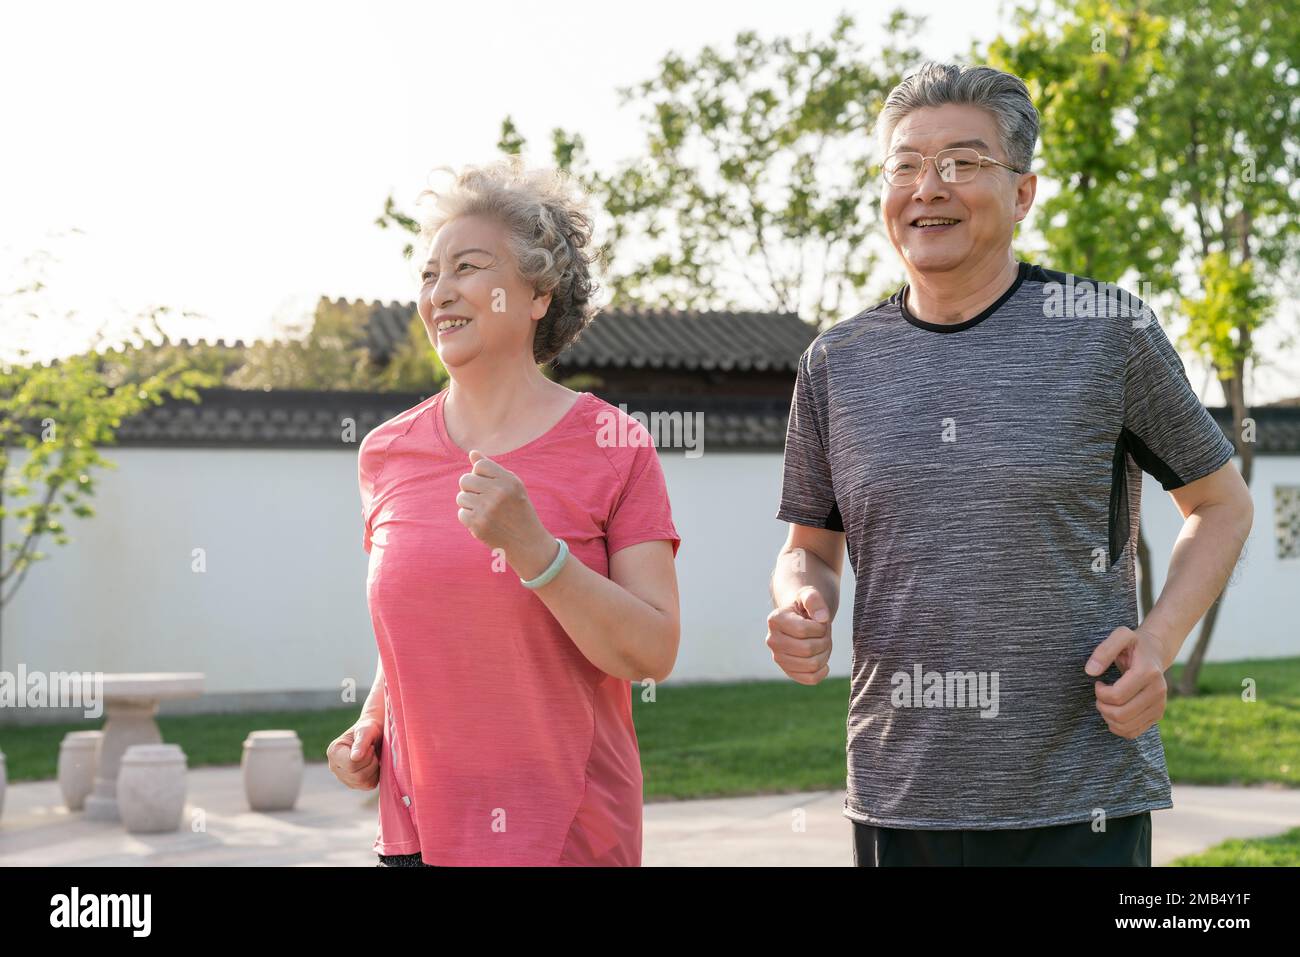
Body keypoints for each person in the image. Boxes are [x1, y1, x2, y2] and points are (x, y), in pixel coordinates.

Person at [767, 61, 1254, 866]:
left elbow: (1221, 504)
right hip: (901, 792)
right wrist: (798, 605)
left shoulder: (1107, 333)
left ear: (1023, 193)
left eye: (963, 162)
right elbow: (809, 550)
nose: (929, 187)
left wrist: (1159, 642)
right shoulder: (836, 362)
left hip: (1080, 794)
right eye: (906, 165)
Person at [327, 157, 682, 866]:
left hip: (567, 837)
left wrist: (537, 553)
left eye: (468, 266)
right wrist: (372, 718)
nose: (441, 291)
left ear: (538, 295)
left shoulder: (615, 445)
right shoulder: (386, 453)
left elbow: (653, 650)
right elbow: (426, 617)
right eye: (429, 274)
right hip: (417, 837)